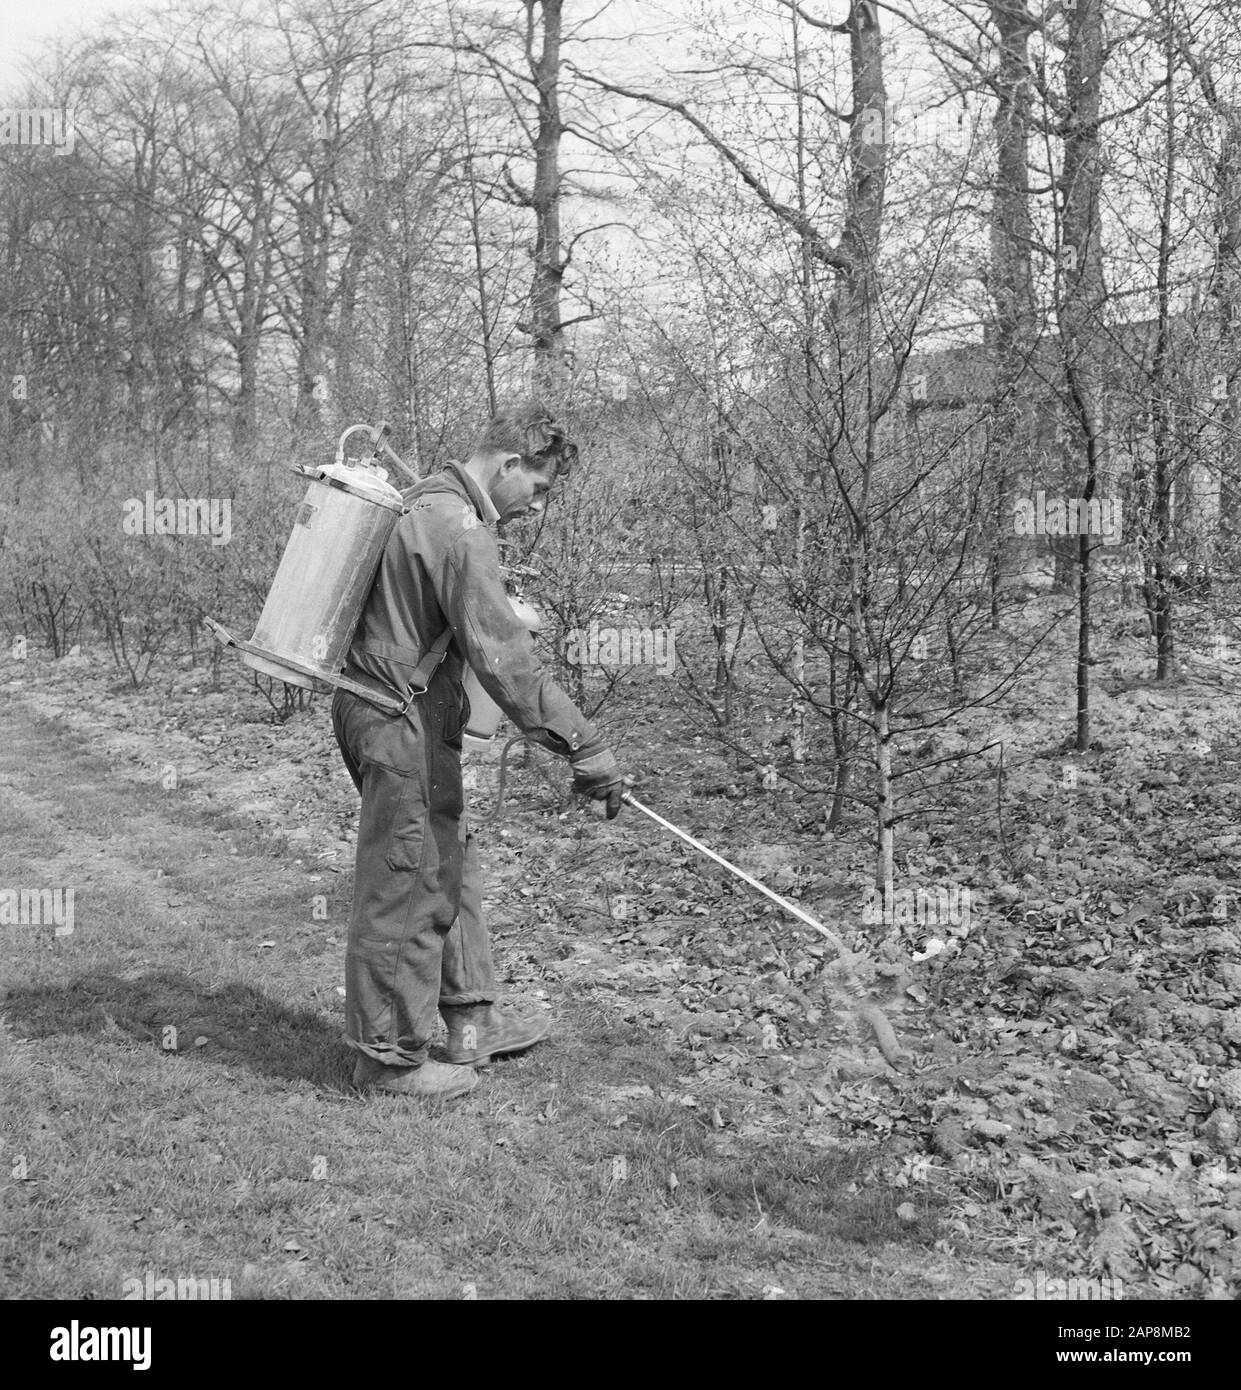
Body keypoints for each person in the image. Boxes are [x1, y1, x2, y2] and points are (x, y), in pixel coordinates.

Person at [331, 401, 625, 1101]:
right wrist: (583, 746)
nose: (537, 504)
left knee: (448, 862)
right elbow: (505, 660)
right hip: (395, 715)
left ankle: (467, 1022)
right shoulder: (457, 528)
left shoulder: (428, 502)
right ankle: (387, 1060)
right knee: (406, 883)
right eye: (539, 486)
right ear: (509, 462)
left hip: (400, 709)